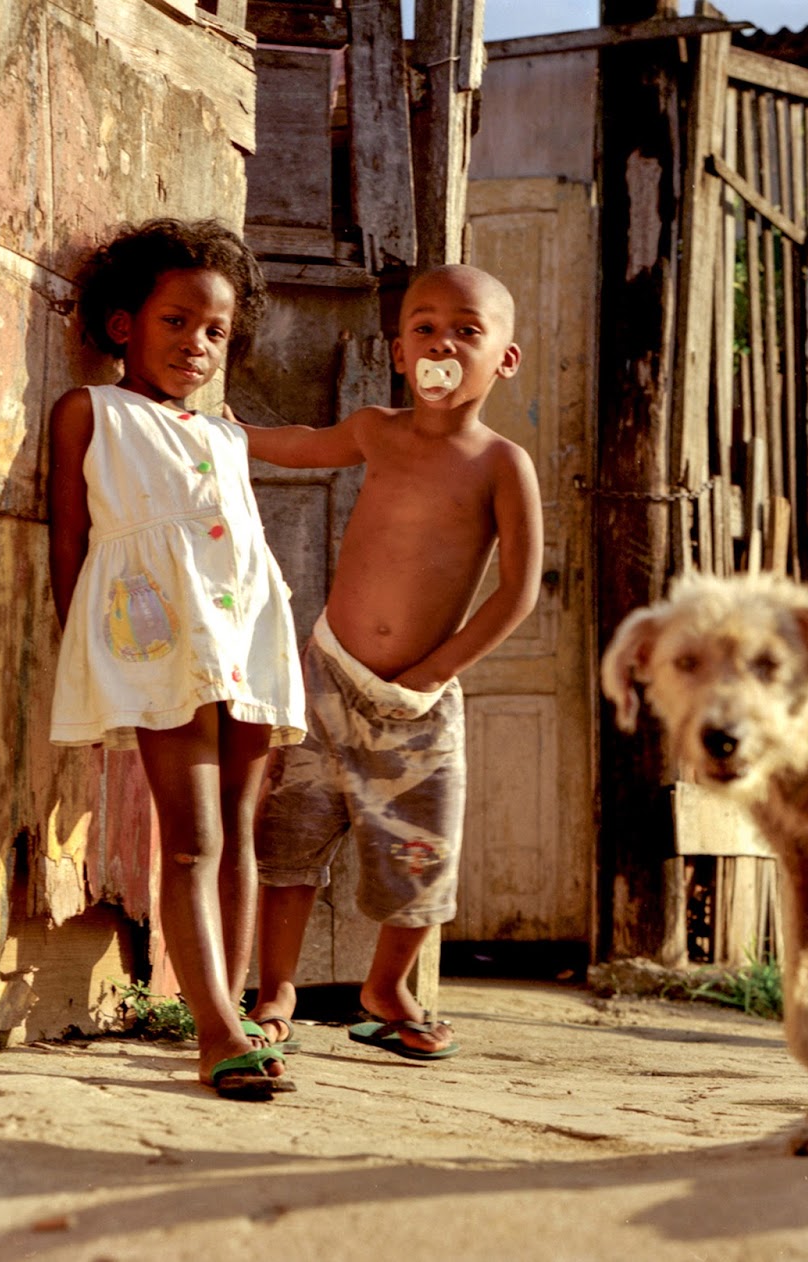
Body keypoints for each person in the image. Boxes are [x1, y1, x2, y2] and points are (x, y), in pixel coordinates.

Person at [236, 263, 543, 1060]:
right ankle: (274, 990)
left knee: (420, 847)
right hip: (328, 674)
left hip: (416, 699)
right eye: (425, 328)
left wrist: (433, 671)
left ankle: (388, 987)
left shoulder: (502, 465)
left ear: (504, 359)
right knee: (291, 836)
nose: (444, 343)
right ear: (401, 354)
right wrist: (226, 434)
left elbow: (517, 593)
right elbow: (302, 447)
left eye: (467, 332)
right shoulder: (376, 429)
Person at [48, 218, 305, 1098]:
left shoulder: (228, 434)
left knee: (239, 832)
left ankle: (230, 1013)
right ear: (123, 325)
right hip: (156, 639)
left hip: (242, 633)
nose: (197, 345)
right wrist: (88, 667)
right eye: (177, 322)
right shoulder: (91, 412)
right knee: (190, 837)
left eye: (216, 332)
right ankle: (214, 1034)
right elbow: (72, 546)